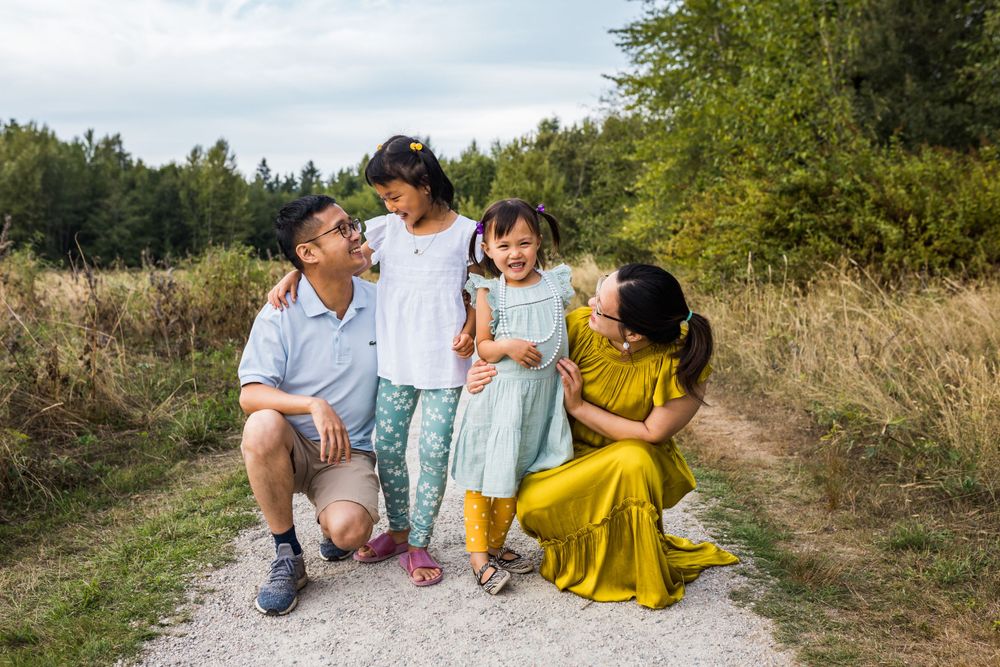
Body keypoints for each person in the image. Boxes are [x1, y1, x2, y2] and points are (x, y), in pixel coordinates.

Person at [267, 136, 480, 586]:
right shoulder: (386, 230)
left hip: (444, 367)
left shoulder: (468, 234)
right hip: (395, 363)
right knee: (389, 449)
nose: (390, 205)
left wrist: (472, 327)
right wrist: (295, 270)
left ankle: (420, 542)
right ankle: (398, 531)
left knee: (434, 453)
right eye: (383, 198)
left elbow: (487, 292)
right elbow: (338, 261)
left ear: (424, 184)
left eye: (395, 195)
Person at [468, 264, 739, 608]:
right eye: (599, 289)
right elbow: (520, 370)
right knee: (532, 503)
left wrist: (579, 408)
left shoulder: (682, 362)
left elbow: (651, 433)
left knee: (634, 457)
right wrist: (480, 375)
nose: (590, 302)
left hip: (629, 465)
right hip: (564, 458)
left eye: (600, 306)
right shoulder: (580, 327)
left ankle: (633, 562)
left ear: (634, 333)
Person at [238, 194, 380, 615]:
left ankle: (330, 520)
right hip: (294, 444)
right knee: (261, 425)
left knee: (349, 533)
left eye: (351, 224)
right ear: (308, 253)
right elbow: (250, 393)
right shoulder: (280, 312)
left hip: (347, 454)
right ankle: (287, 555)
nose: (355, 234)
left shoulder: (382, 302)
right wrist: (312, 404)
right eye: (341, 230)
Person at [451, 199, 574, 595]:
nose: (514, 253)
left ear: (537, 241)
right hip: (501, 400)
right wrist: (507, 346)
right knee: (483, 477)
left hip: (539, 400)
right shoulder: (490, 292)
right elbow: (482, 346)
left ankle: (498, 544)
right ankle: (479, 558)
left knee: (514, 476)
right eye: (503, 246)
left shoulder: (555, 284)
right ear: (487, 250)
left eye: (523, 243)